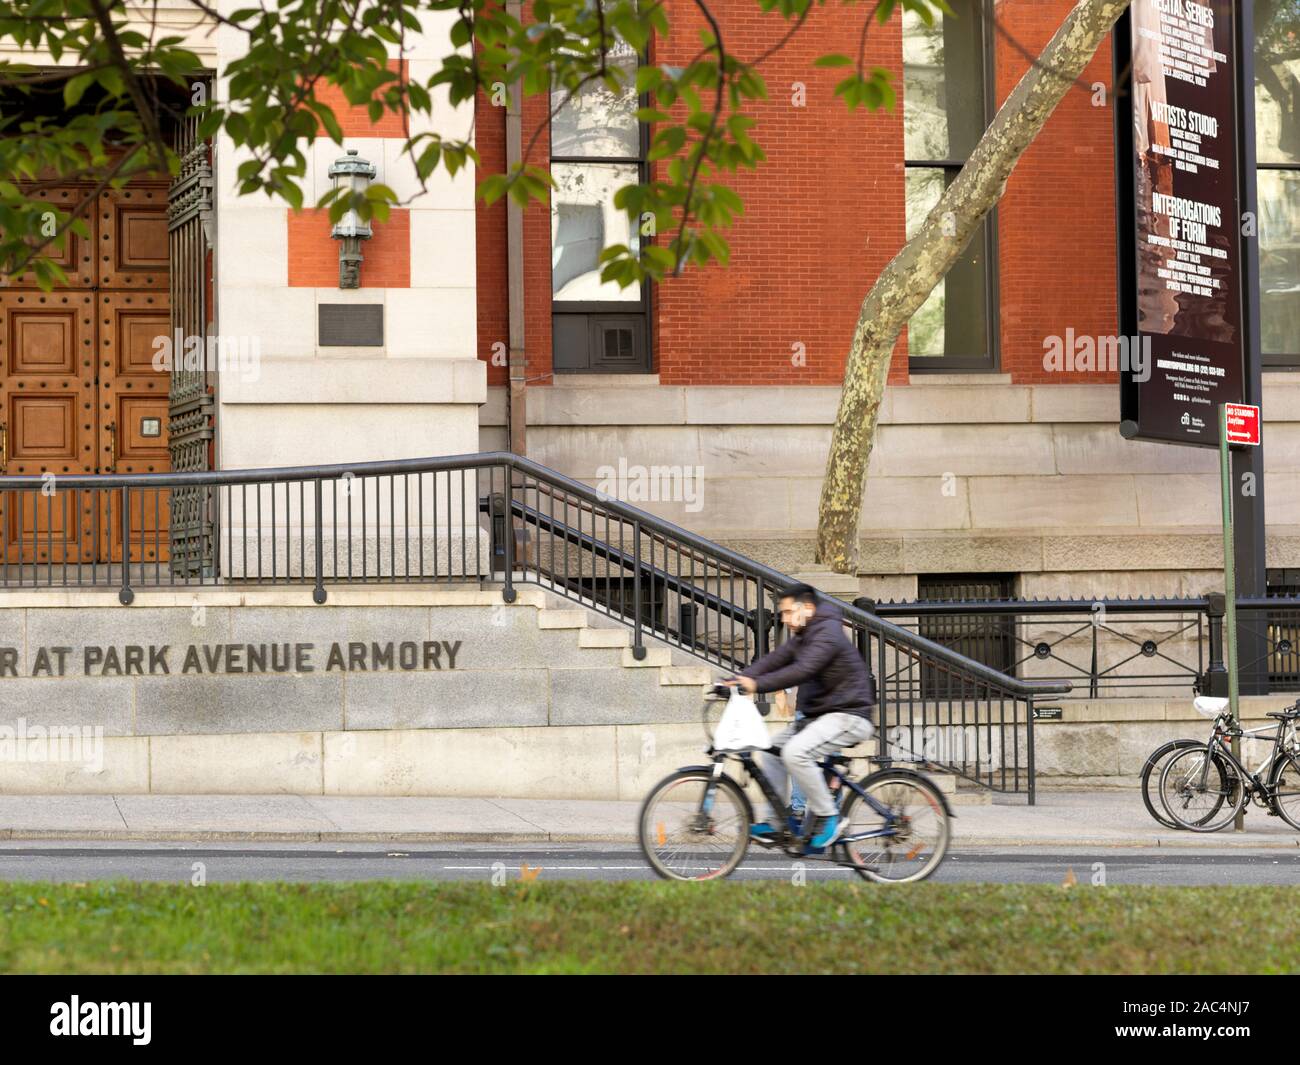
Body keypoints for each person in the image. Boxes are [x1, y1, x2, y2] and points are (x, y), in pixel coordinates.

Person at [726, 583, 876, 853]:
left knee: (795, 752)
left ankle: (829, 816)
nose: (782, 618)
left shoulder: (827, 633)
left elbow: (801, 670)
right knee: (771, 751)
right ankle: (775, 823)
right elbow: (775, 659)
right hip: (822, 716)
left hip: (848, 713)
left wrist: (756, 686)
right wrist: (739, 678)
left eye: (785, 612)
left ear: (806, 608)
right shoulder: (806, 635)